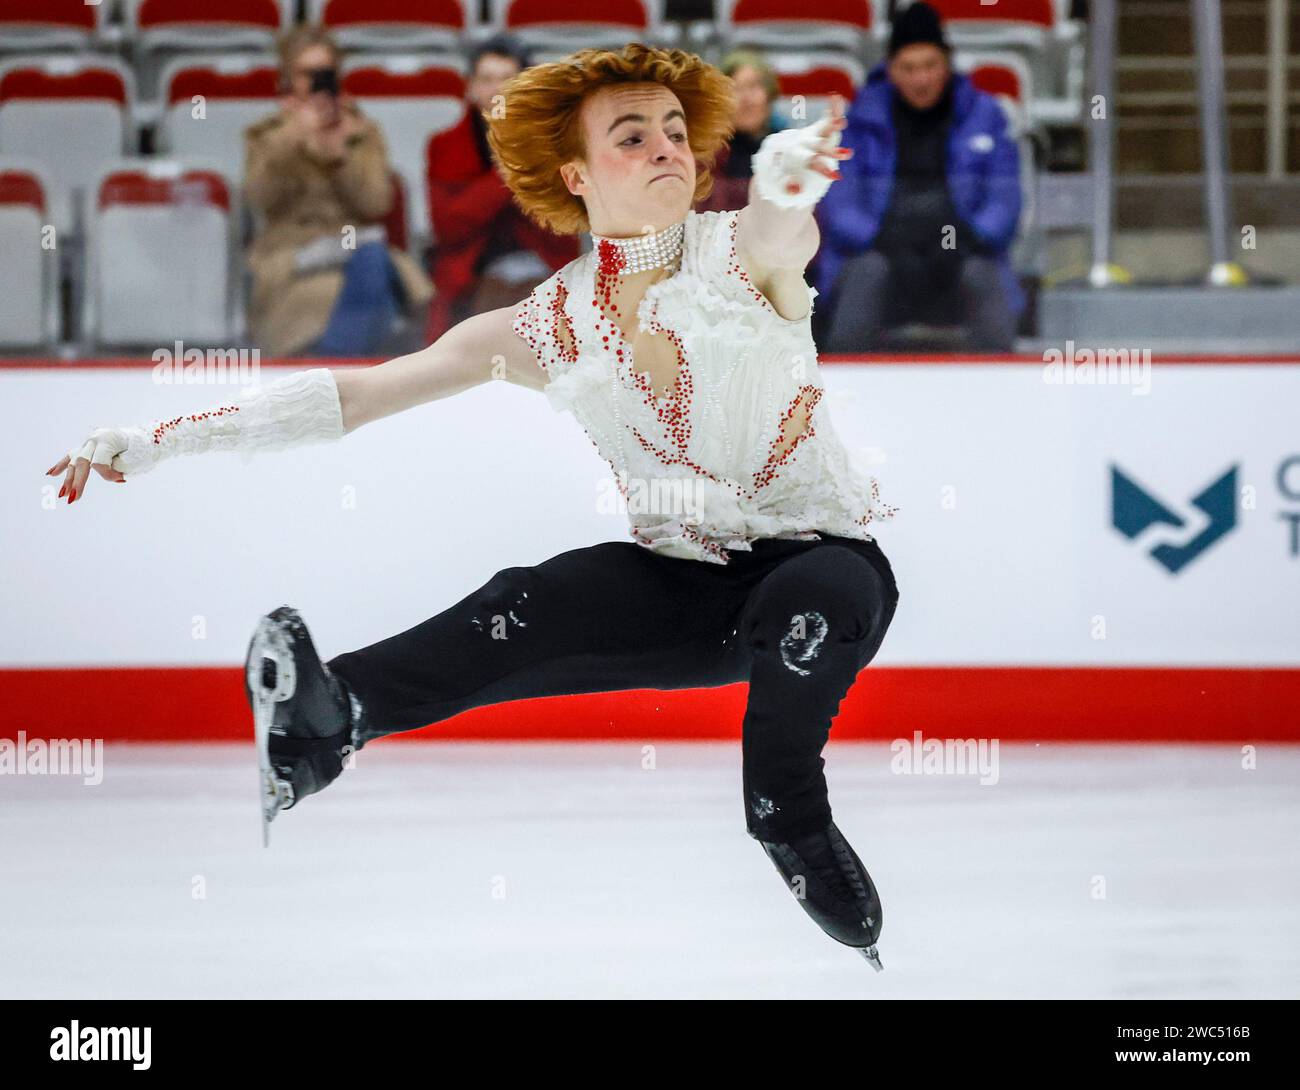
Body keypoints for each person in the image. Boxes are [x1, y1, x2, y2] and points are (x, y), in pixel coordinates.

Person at [47, 45, 900, 968]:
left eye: (674, 131)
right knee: (521, 602)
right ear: (575, 174)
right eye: (631, 134)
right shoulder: (543, 324)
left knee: (808, 598)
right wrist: (164, 438)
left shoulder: (742, 250)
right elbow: (360, 395)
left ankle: (785, 816)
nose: (667, 148)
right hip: (685, 586)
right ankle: (333, 718)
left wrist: (780, 182)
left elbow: (786, 235)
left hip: (826, 566)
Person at [817, 2, 1024, 352]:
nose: (921, 79)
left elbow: (1005, 203)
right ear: (891, 69)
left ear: (946, 64)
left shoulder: (985, 114)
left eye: (930, 65)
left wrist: (969, 237)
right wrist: (879, 238)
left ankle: (1004, 389)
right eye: (908, 67)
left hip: (960, 252)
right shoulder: (860, 119)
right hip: (880, 253)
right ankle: (839, 392)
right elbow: (839, 205)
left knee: (980, 277)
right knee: (866, 276)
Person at [243, 25, 433, 357]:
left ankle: (328, 363)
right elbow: (260, 198)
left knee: (374, 260)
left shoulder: (361, 131)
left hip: (356, 249)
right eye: (306, 73)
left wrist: (341, 156)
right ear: (287, 78)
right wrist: (293, 139)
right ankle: (343, 362)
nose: (316, 81)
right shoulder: (269, 134)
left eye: (325, 72)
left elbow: (377, 203)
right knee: (381, 300)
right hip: (294, 257)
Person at [424, 35, 579, 342]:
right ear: (470, 87)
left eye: (508, 80)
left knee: (526, 297)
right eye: (487, 79)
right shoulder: (444, 146)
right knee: (497, 304)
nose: (497, 90)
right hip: (470, 274)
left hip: (542, 267)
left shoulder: (555, 146)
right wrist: (510, 169)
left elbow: (563, 226)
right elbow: (449, 227)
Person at [695, 49, 785, 214]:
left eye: (753, 86)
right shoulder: (704, 156)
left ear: (769, 94)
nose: (746, 98)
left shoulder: (788, 148)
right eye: (736, 89)